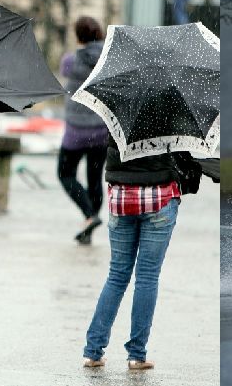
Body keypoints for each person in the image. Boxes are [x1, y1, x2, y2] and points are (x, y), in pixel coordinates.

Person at [82, 127, 201, 369]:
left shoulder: (115, 102)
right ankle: (136, 356)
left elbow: (112, 154)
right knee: (147, 278)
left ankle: (92, 352)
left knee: (116, 276)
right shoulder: (168, 104)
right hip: (159, 197)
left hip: (122, 198)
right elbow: (181, 153)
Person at [58, 17, 108, 245]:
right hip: (101, 130)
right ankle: (92, 219)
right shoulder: (109, 59)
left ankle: (89, 215)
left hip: (76, 131)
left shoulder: (70, 61)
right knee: (95, 178)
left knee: (65, 173)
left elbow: (65, 69)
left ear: (78, 36)